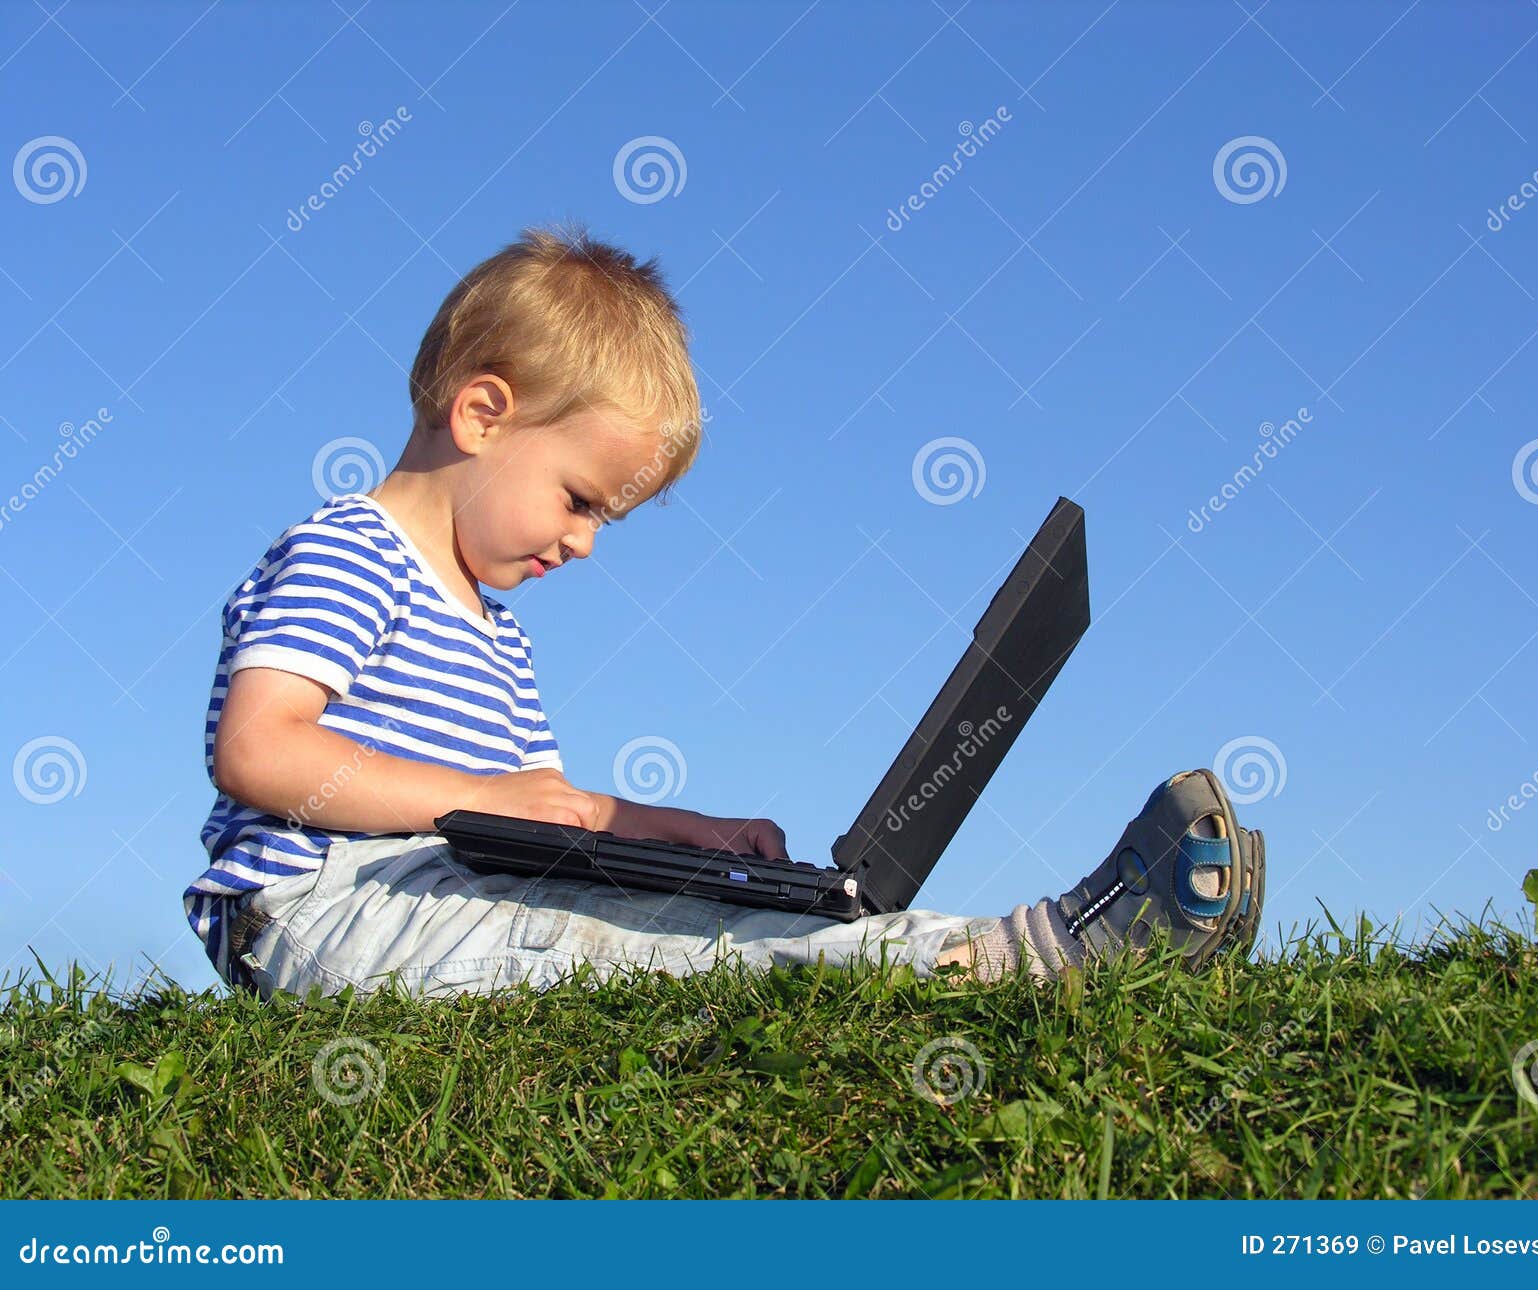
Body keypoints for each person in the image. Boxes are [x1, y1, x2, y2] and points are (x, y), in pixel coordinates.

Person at [181, 223, 1266, 1003]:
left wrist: (684, 835)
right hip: (325, 912)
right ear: (480, 413)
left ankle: (920, 944)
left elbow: (548, 819)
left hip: (448, 886)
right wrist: (476, 799)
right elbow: (258, 749)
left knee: (676, 917)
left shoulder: (490, 626)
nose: (582, 542)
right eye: (577, 499)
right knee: (625, 950)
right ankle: (1019, 956)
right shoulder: (349, 551)